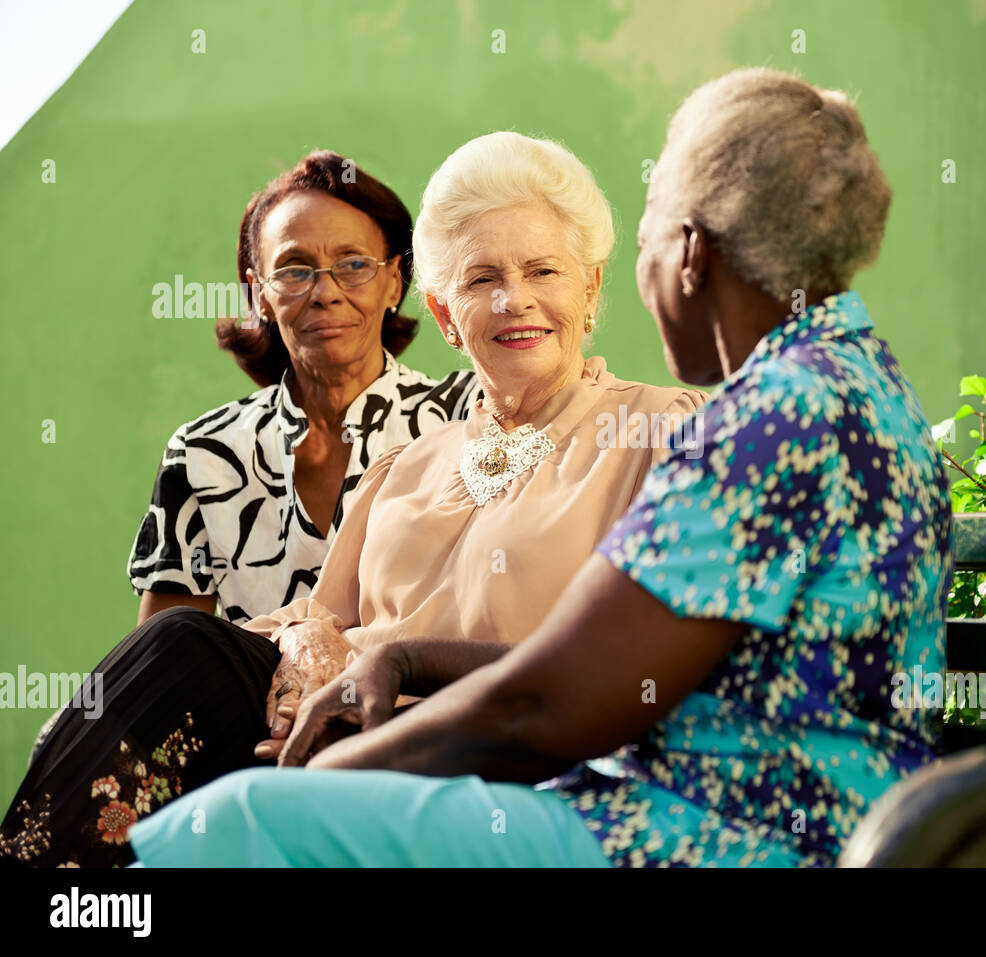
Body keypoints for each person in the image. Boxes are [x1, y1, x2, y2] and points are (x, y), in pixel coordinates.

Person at [127, 67, 955, 869]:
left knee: (239, 821)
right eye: (483, 278)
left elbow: (549, 703)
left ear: (691, 251)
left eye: (640, 245)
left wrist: (325, 779)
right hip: (724, 809)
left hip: (709, 833)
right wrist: (406, 661)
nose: (519, 299)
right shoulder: (841, 378)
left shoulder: (771, 420)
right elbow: (581, 671)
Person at [0, 132, 704, 867]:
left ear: (590, 288)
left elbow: (635, 667)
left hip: (487, 758)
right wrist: (306, 653)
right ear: (443, 313)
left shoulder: (659, 431)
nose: (513, 299)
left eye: (543, 270)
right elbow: (321, 624)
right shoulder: (406, 466)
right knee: (180, 658)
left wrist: (403, 663)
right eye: (480, 278)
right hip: (333, 742)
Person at [128, 150, 478, 628]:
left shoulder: (467, 416)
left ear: (394, 283)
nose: (325, 291)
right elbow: (170, 659)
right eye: (294, 270)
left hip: (421, 701)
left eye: (354, 264)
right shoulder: (203, 453)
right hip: (252, 705)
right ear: (260, 295)